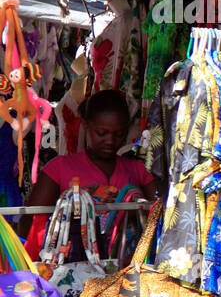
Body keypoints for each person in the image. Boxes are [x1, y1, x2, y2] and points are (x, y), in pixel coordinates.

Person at [23, 90, 157, 251]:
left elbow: (159, 215)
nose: (110, 141)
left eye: (119, 134)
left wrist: (133, 210)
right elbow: (29, 225)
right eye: (102, 133)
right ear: (86, 125)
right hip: (75, 267)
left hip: (126, 266)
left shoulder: (136, 169)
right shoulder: (59, 168)